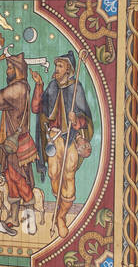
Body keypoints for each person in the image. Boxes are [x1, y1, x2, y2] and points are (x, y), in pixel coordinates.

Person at [31, 50, 93, 239]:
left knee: (69, 174)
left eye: (60, 66)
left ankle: (61, 217)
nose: (56, 69)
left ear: (69, 70)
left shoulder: (76, 88)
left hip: (70, 137)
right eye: (56, 66)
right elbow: (37, 108)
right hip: (52, 137)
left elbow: (86, 119)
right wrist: (39, 85)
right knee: (53, 173)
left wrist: (76, 120)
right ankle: (61, 206)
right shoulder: (51, 86)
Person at [0, 53, 42, 209]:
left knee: (17, 177)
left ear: (18, 69)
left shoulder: (17, 88)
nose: (7, 71)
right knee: (10, 177)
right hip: (12, 140)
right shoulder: (22, 86)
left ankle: (29, 209)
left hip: (15, 142)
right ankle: (14, 215)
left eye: (10, 68)